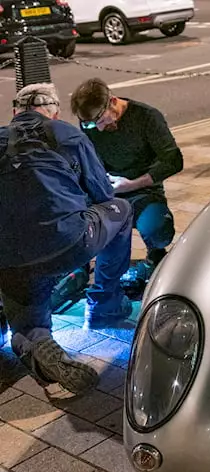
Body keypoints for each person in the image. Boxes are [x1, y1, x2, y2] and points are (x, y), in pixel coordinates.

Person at [0, 83, 134, 395]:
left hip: (8, 257)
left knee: (27, 322)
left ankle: (38, 344)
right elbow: (103, 194)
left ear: (14, 113)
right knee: (121, 209)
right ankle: (105, 304)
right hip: (66, 242)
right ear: (55, 112)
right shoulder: (67, 134)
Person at [69, 79, 184, 296]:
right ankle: (79, 270)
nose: (99, 128)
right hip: (107, 192)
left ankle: (155, 256)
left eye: (101, 120)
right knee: (75, 220)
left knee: (157, 230)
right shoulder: (89, 124)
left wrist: (132, 184)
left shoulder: (147, 117)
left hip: (143, 190)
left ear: (112, 102)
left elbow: (173, 160)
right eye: (91, 125)